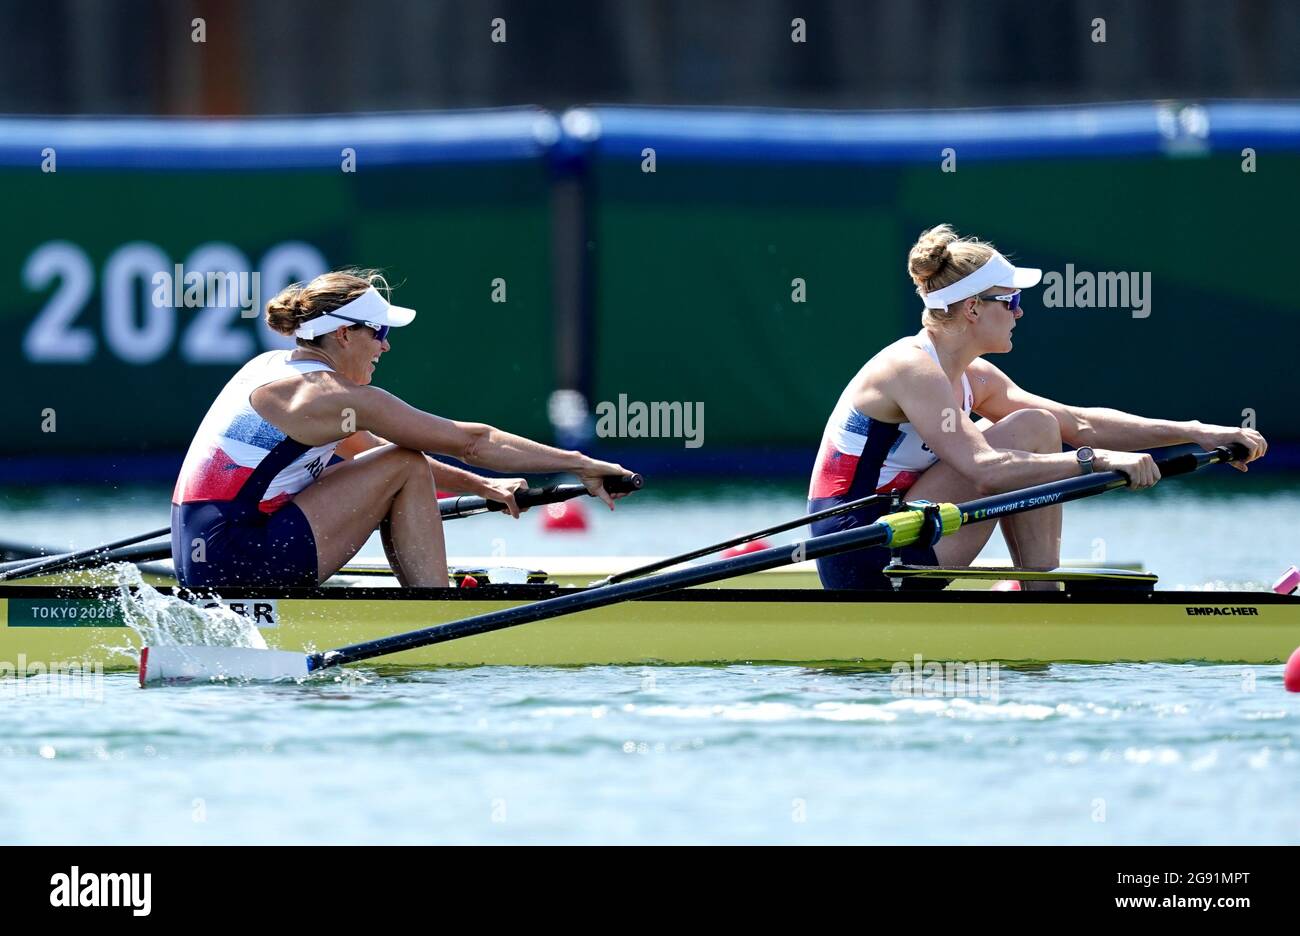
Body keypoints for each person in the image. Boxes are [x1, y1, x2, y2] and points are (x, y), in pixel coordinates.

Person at [807, 224, 1267, 590]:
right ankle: (1041, 600)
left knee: (1036, 426)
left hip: (910, 536)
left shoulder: (975, 378)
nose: (1020, 313)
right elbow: (986, 469)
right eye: (1011, 301)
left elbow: (1080, 423)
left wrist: (1196, 431)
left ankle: (1040, 592)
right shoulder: (910, 369)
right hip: (859, 552)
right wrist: (1099, 463)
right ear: (971, 308)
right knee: (1027, 434)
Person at [171, 269, 633, 588]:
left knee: (396, 463)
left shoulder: (272, 368)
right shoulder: (330, 396)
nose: (386, 346)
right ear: (344, 334)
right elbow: (473, 441)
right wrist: (583, 464)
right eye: (379, 332)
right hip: (241, 562)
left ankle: (425, 594)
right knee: (405, 464)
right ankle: (433, 609)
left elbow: (365, 451)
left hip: (203, 556)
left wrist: (483, 486)